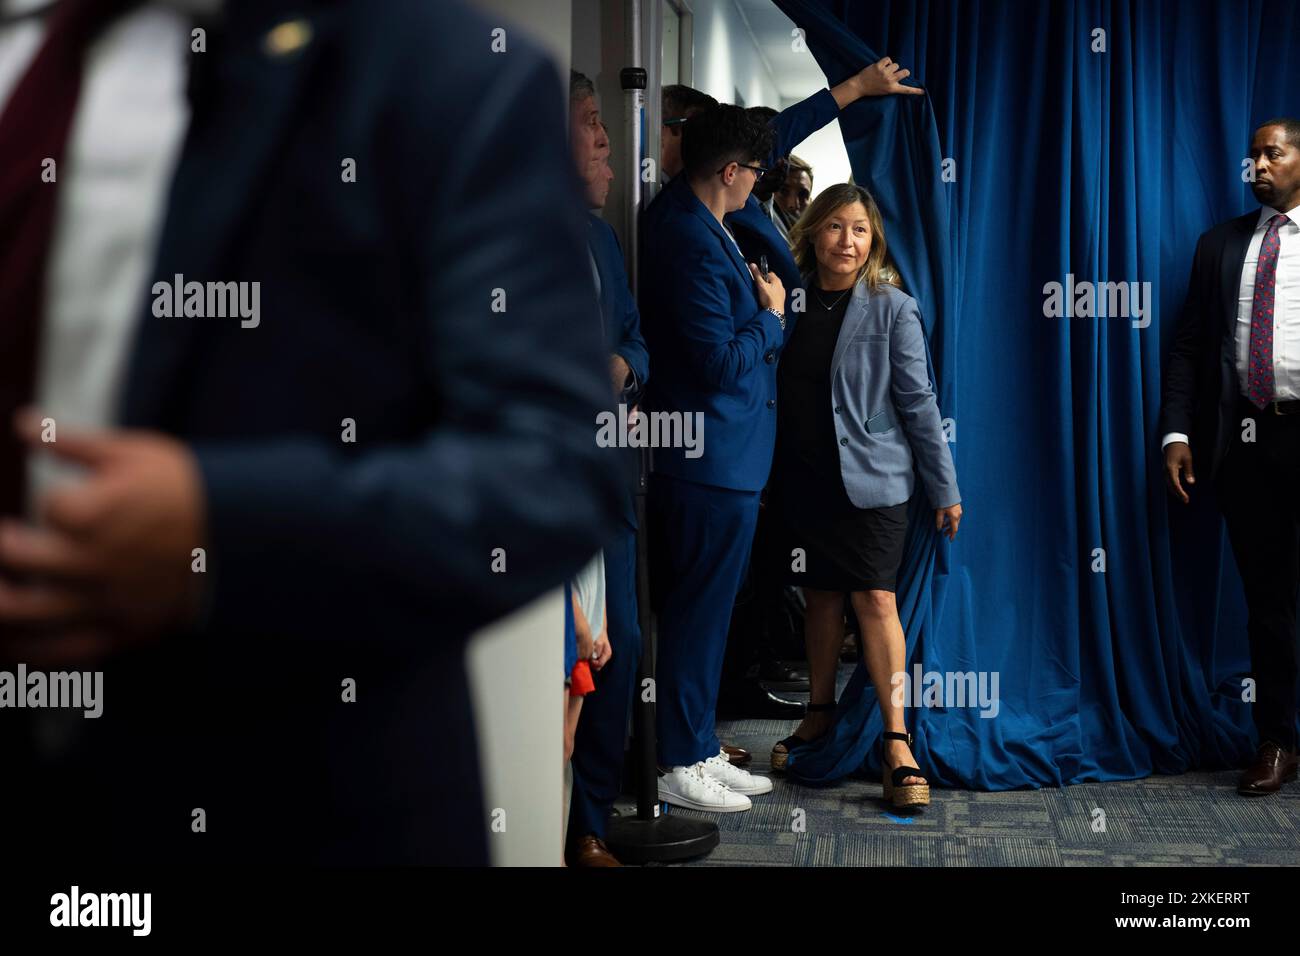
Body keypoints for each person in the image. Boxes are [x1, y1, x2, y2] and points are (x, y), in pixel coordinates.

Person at [0, 0, 622, 864]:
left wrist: (220, 534)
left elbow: (554, 473)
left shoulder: (443, 74)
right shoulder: (26, 58)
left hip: (291, 804)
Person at [767, 184, 961, 811]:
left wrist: (944, 485)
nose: (846, 242)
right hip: (803, 477)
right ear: (812, 233)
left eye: (858, 230)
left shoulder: (893, 307)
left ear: (872, 239)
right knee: (820, 596)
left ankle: (896, 741)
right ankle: (820, 714)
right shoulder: (786, 298)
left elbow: (917, 403)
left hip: (875, 480)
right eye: (833, 228)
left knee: (876, 598)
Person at [639, 104, 785, 811]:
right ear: (731, 171)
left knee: (709, 616)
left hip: (725, 459)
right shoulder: (688, 238)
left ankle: (696, 744)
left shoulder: (703, 224)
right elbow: (717, 361)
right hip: (706, 462)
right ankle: (676, 761)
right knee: (696, 617)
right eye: (755, 172)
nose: (758, 183)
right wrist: (772, 318)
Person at [1160, 117, 1300, 797]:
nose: (1258, 166)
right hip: (1247, 442)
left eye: (1272, 153)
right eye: (1252, 157)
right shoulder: (1219, 245)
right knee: (1269, 602)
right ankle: (1277, 740)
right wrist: (1177, 434)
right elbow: (1190, 346)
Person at [564, 71, 651, 867]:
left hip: (611, 478)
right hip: (546, 478)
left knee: (617, 644)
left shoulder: (602, 239)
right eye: (591, 121)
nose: (605, 140)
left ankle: (589, 822)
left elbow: (636, 336)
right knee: (562, 654)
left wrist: (624, 365)